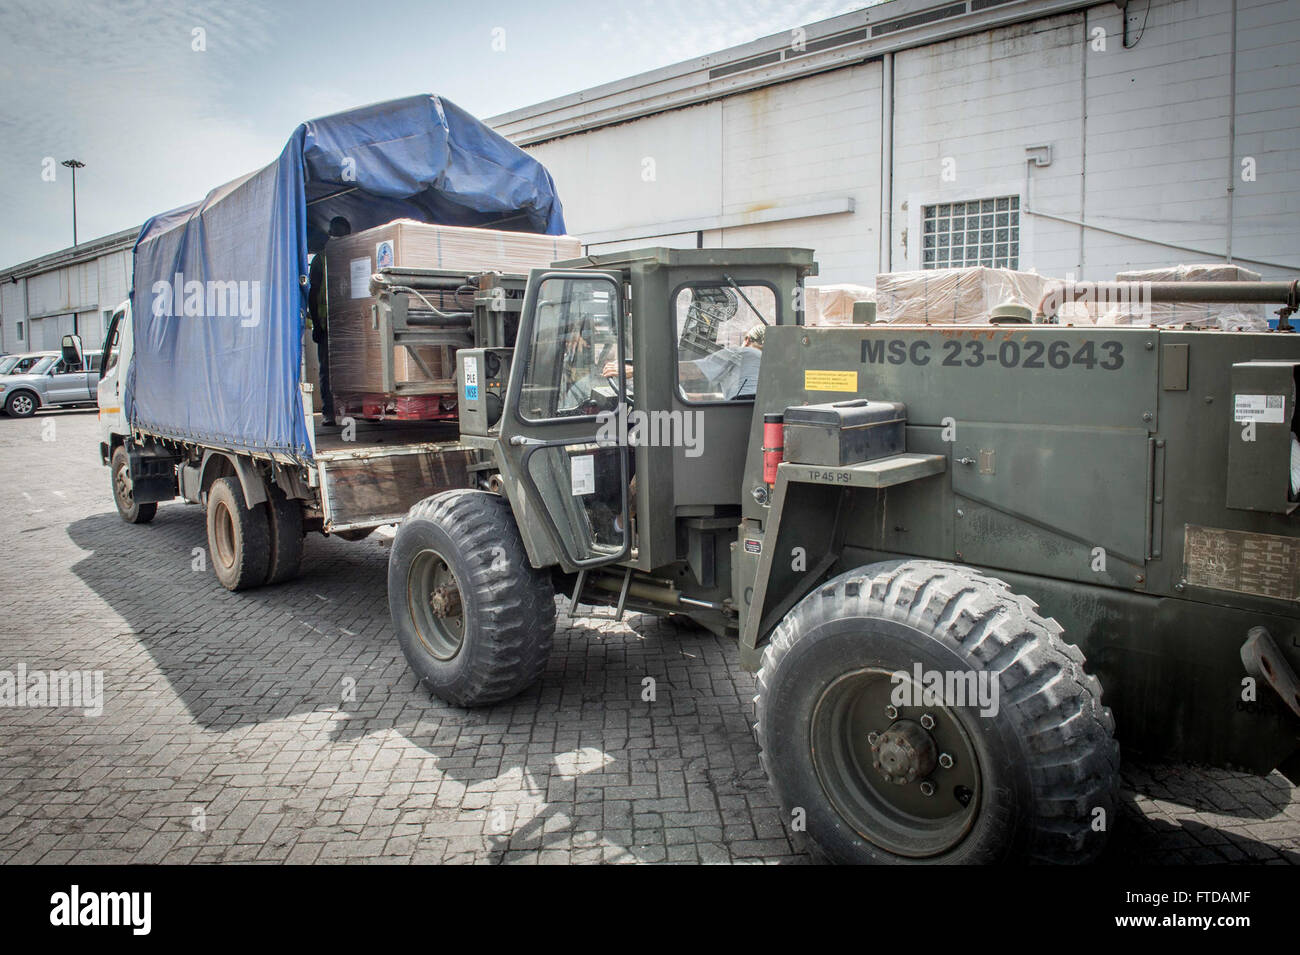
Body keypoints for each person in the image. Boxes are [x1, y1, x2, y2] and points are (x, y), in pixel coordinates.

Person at [307, 216, 352, 426]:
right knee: (328, 369)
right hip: (328, 324)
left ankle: (348, 410)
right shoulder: (321, 259)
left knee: (348, 368)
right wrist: (316, 324)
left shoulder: (352, 257)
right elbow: (313, 293)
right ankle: (329, 411)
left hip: (348, 323)